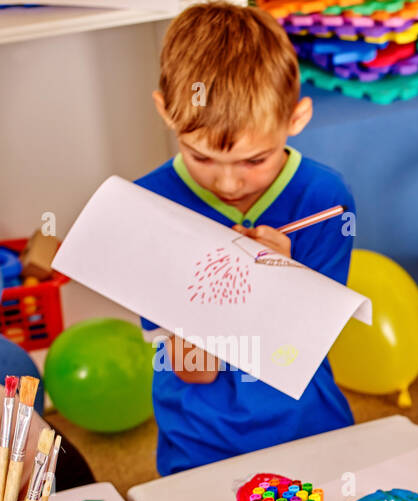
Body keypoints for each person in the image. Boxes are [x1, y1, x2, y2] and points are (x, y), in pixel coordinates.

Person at [136, 1, 355, 476]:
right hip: (199, 441)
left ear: (296, 119)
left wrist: (283, 279)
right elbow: (196, 369)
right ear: (165, 112)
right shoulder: (148, 206)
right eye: (202, 157)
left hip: (308, 426)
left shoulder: (325, 198)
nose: (229, 184)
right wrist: (220, 281)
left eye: (254, 161)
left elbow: (301, 347)